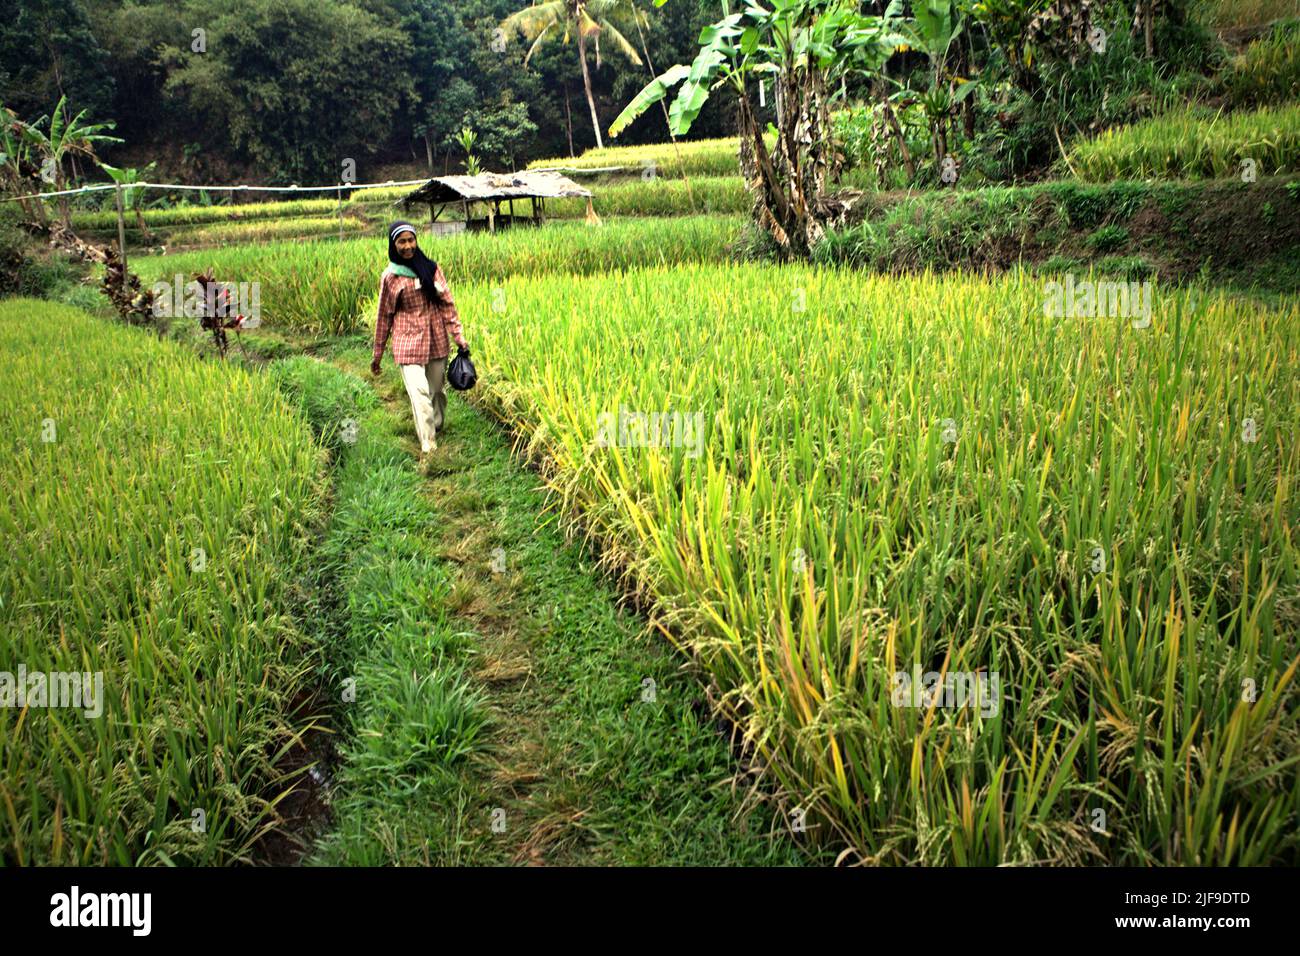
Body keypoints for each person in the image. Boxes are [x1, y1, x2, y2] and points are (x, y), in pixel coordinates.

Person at [371, 220, 468, 473]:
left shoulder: (431, 269)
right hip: (407, 341)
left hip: (436, 339)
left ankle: (434, 426)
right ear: (393, 245)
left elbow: (447, 304)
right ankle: (429, 448)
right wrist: (377, 354)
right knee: (420, 395)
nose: (407, 246)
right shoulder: (390, 277)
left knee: (437, 392)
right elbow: (384, 316)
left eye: (410, 240)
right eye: (401, 241)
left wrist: (458, 336)